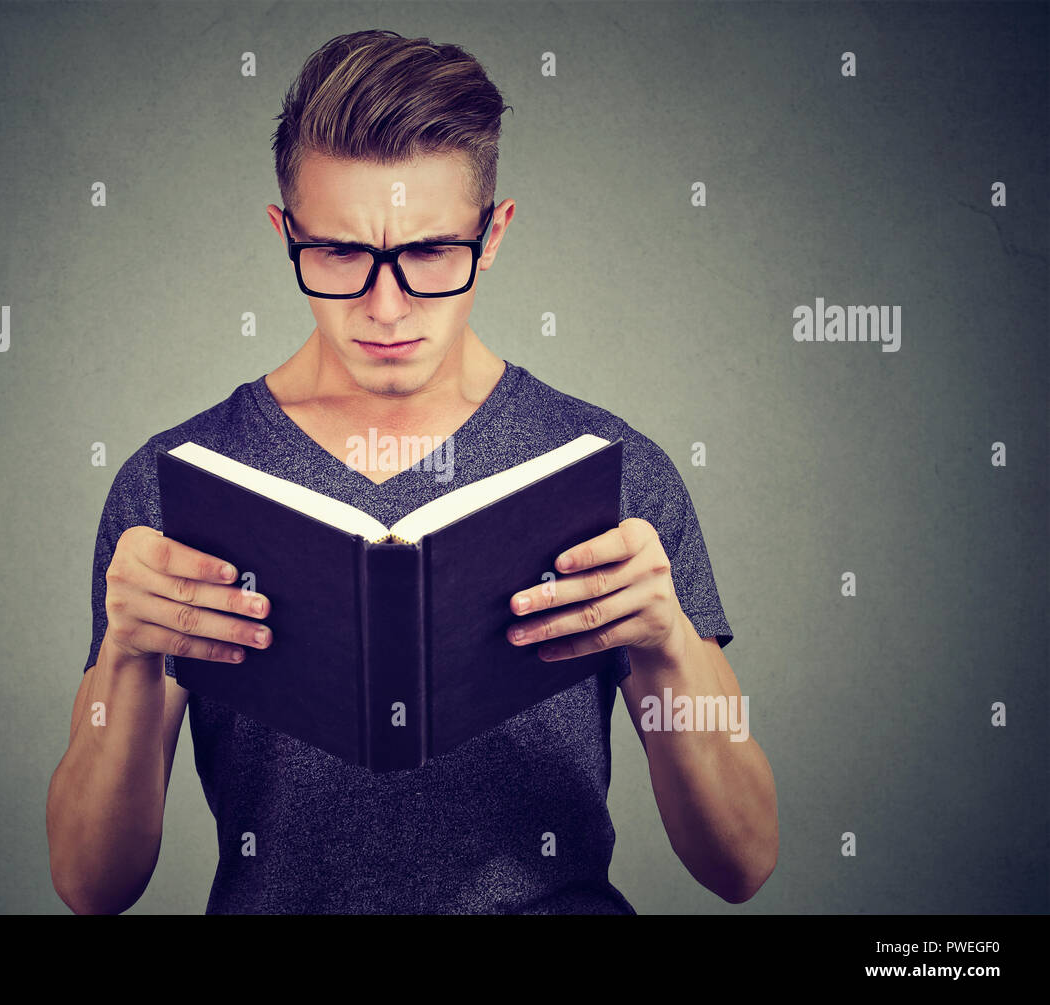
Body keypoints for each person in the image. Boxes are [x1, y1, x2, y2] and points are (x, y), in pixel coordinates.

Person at [46, 28, 778, 915]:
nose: (385, 308)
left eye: (430, 253)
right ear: (286, 235)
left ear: (493, 233)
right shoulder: (176, 490)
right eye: (341, 255)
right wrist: (126, 656)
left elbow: (742, 861)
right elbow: (91, 885)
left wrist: (667, 647)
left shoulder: (613, 478)